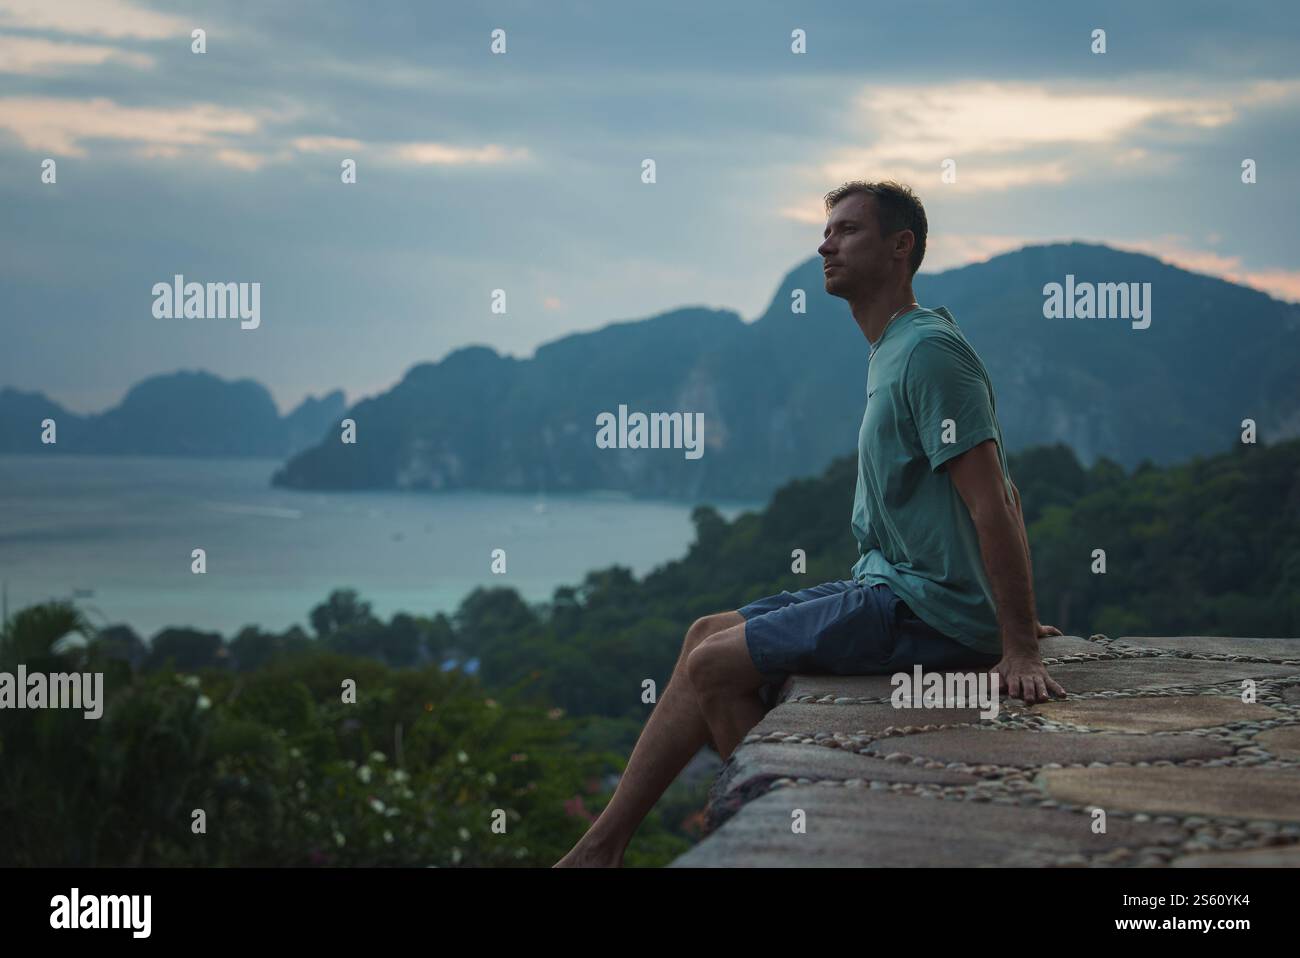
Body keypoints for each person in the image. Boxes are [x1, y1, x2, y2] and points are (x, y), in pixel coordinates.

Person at [554, 180, 1065, 868]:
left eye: (847, 230)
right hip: (893, 589)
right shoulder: (891, 348)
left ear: (899, 247)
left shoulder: (929, 353)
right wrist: (1020, 621)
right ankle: (602, 849)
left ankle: (795, 839)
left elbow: (994, 499)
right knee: (704, 632)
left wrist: (1017, 643)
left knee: (713, 669)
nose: (826, 244)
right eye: (826, 230)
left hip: (926, 610)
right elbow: (1003, 492)